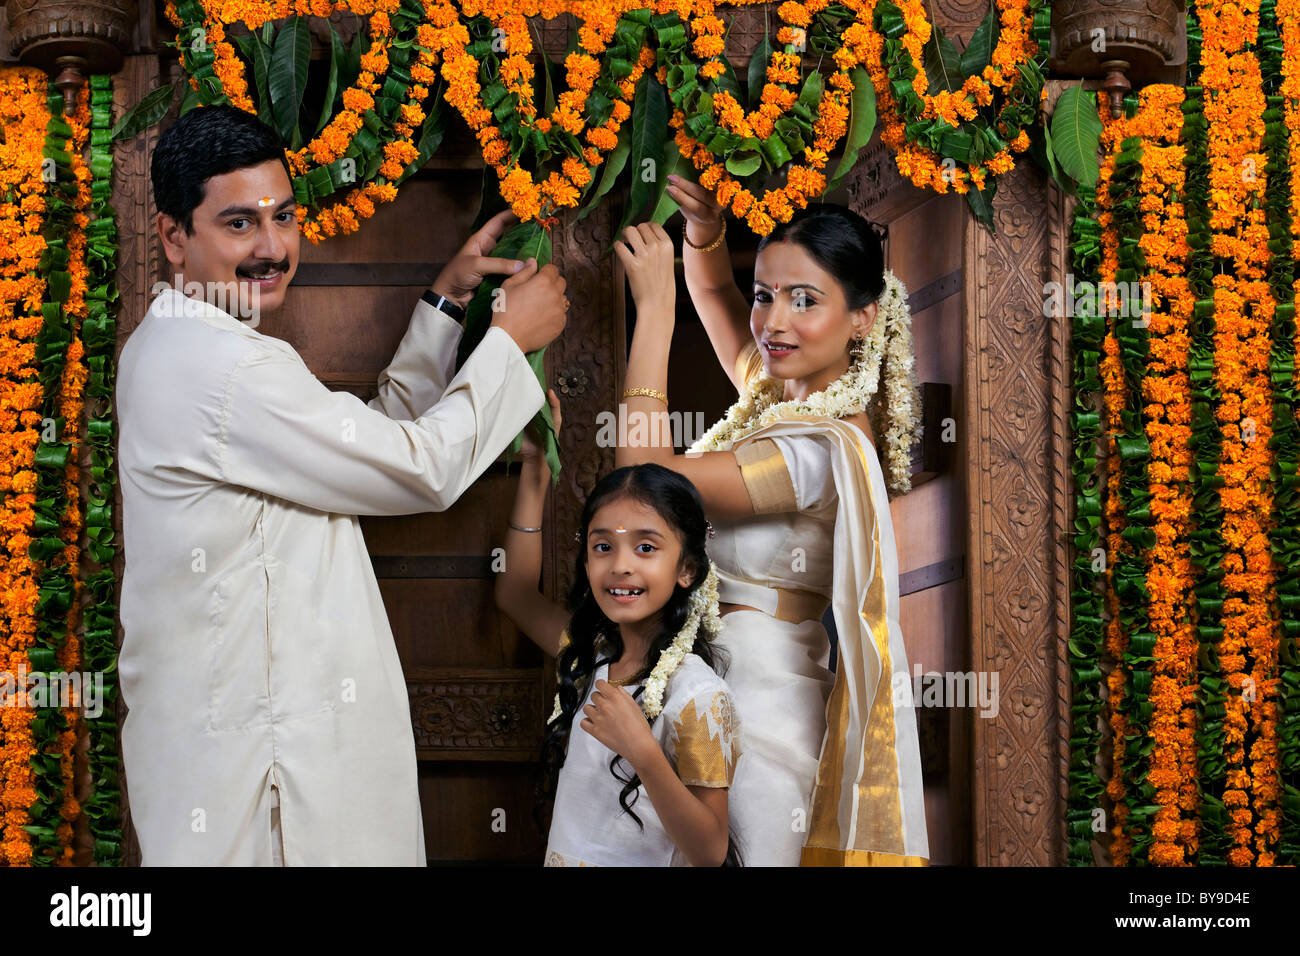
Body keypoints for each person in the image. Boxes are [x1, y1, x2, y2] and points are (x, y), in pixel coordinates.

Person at [116, 105, 568, 865]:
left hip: (259, 750)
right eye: (238, 225)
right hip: (264, 769)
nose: (272, 248)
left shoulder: (183, 344)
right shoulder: (224, 368)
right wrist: (508, 342)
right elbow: (418, 469)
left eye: (284, 218)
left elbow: (360, 455)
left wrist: (446, 305)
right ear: (173, 238)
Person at [609, 184, 929, 866]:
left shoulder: (817, 448)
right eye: (767, 295)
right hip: (704, 681)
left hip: (761, 709)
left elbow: (639, 487)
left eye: (804, 299)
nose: (774, 320)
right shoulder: (778, 395)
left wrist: (655, 312)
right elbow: (721, 298)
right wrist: (705, 232)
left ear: (863, 319)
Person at [494, 393, 741, 866]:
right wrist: (535, 469)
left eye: (646, 548)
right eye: (603, 546)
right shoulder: (593, 656)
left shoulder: (697, 695)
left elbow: (710, 851)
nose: (621, 566)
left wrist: (642, 752)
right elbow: (515, 595)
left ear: (686, 568)